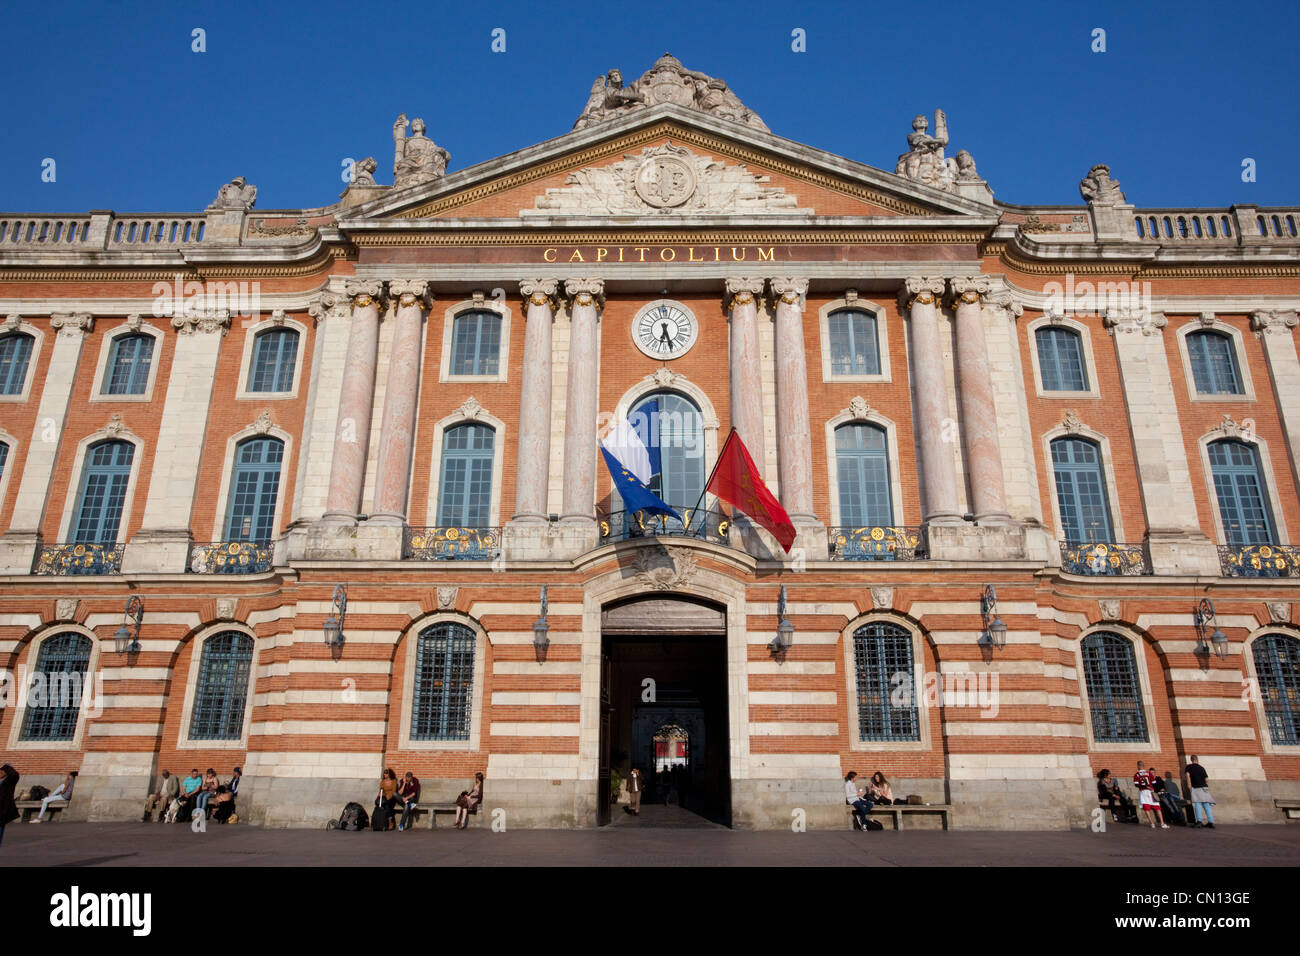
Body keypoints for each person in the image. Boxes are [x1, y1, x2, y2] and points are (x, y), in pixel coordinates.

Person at [1133, 761, 1168, 829]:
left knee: (1147, 808)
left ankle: (1152, 823)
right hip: (1151, 791)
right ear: (1143, 766)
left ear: (1138, 766)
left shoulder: (1136, 775)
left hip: (1143, 792)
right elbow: (1154, 783)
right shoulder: (1148, 773)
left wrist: (1144, 786)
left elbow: (1136, 784)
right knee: (1157, 807)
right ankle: (1162, 823)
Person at [1184, 755, 1215, 829]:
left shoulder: (1189, 767)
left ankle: (1199, 821)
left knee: (1197, 804)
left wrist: (1189, 784)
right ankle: (1211, 822)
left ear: (1191, 760)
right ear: (1197, 760)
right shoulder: (1202, 768)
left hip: (1196, 787)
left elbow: (1187, 775)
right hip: (1204, 788)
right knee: (1206, 804)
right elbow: (1206, 779)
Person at [0, 764, 18, 847]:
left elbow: (15, 774)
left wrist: (7, 768)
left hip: (3, 808)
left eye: (1, 772)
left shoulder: (9, 782)